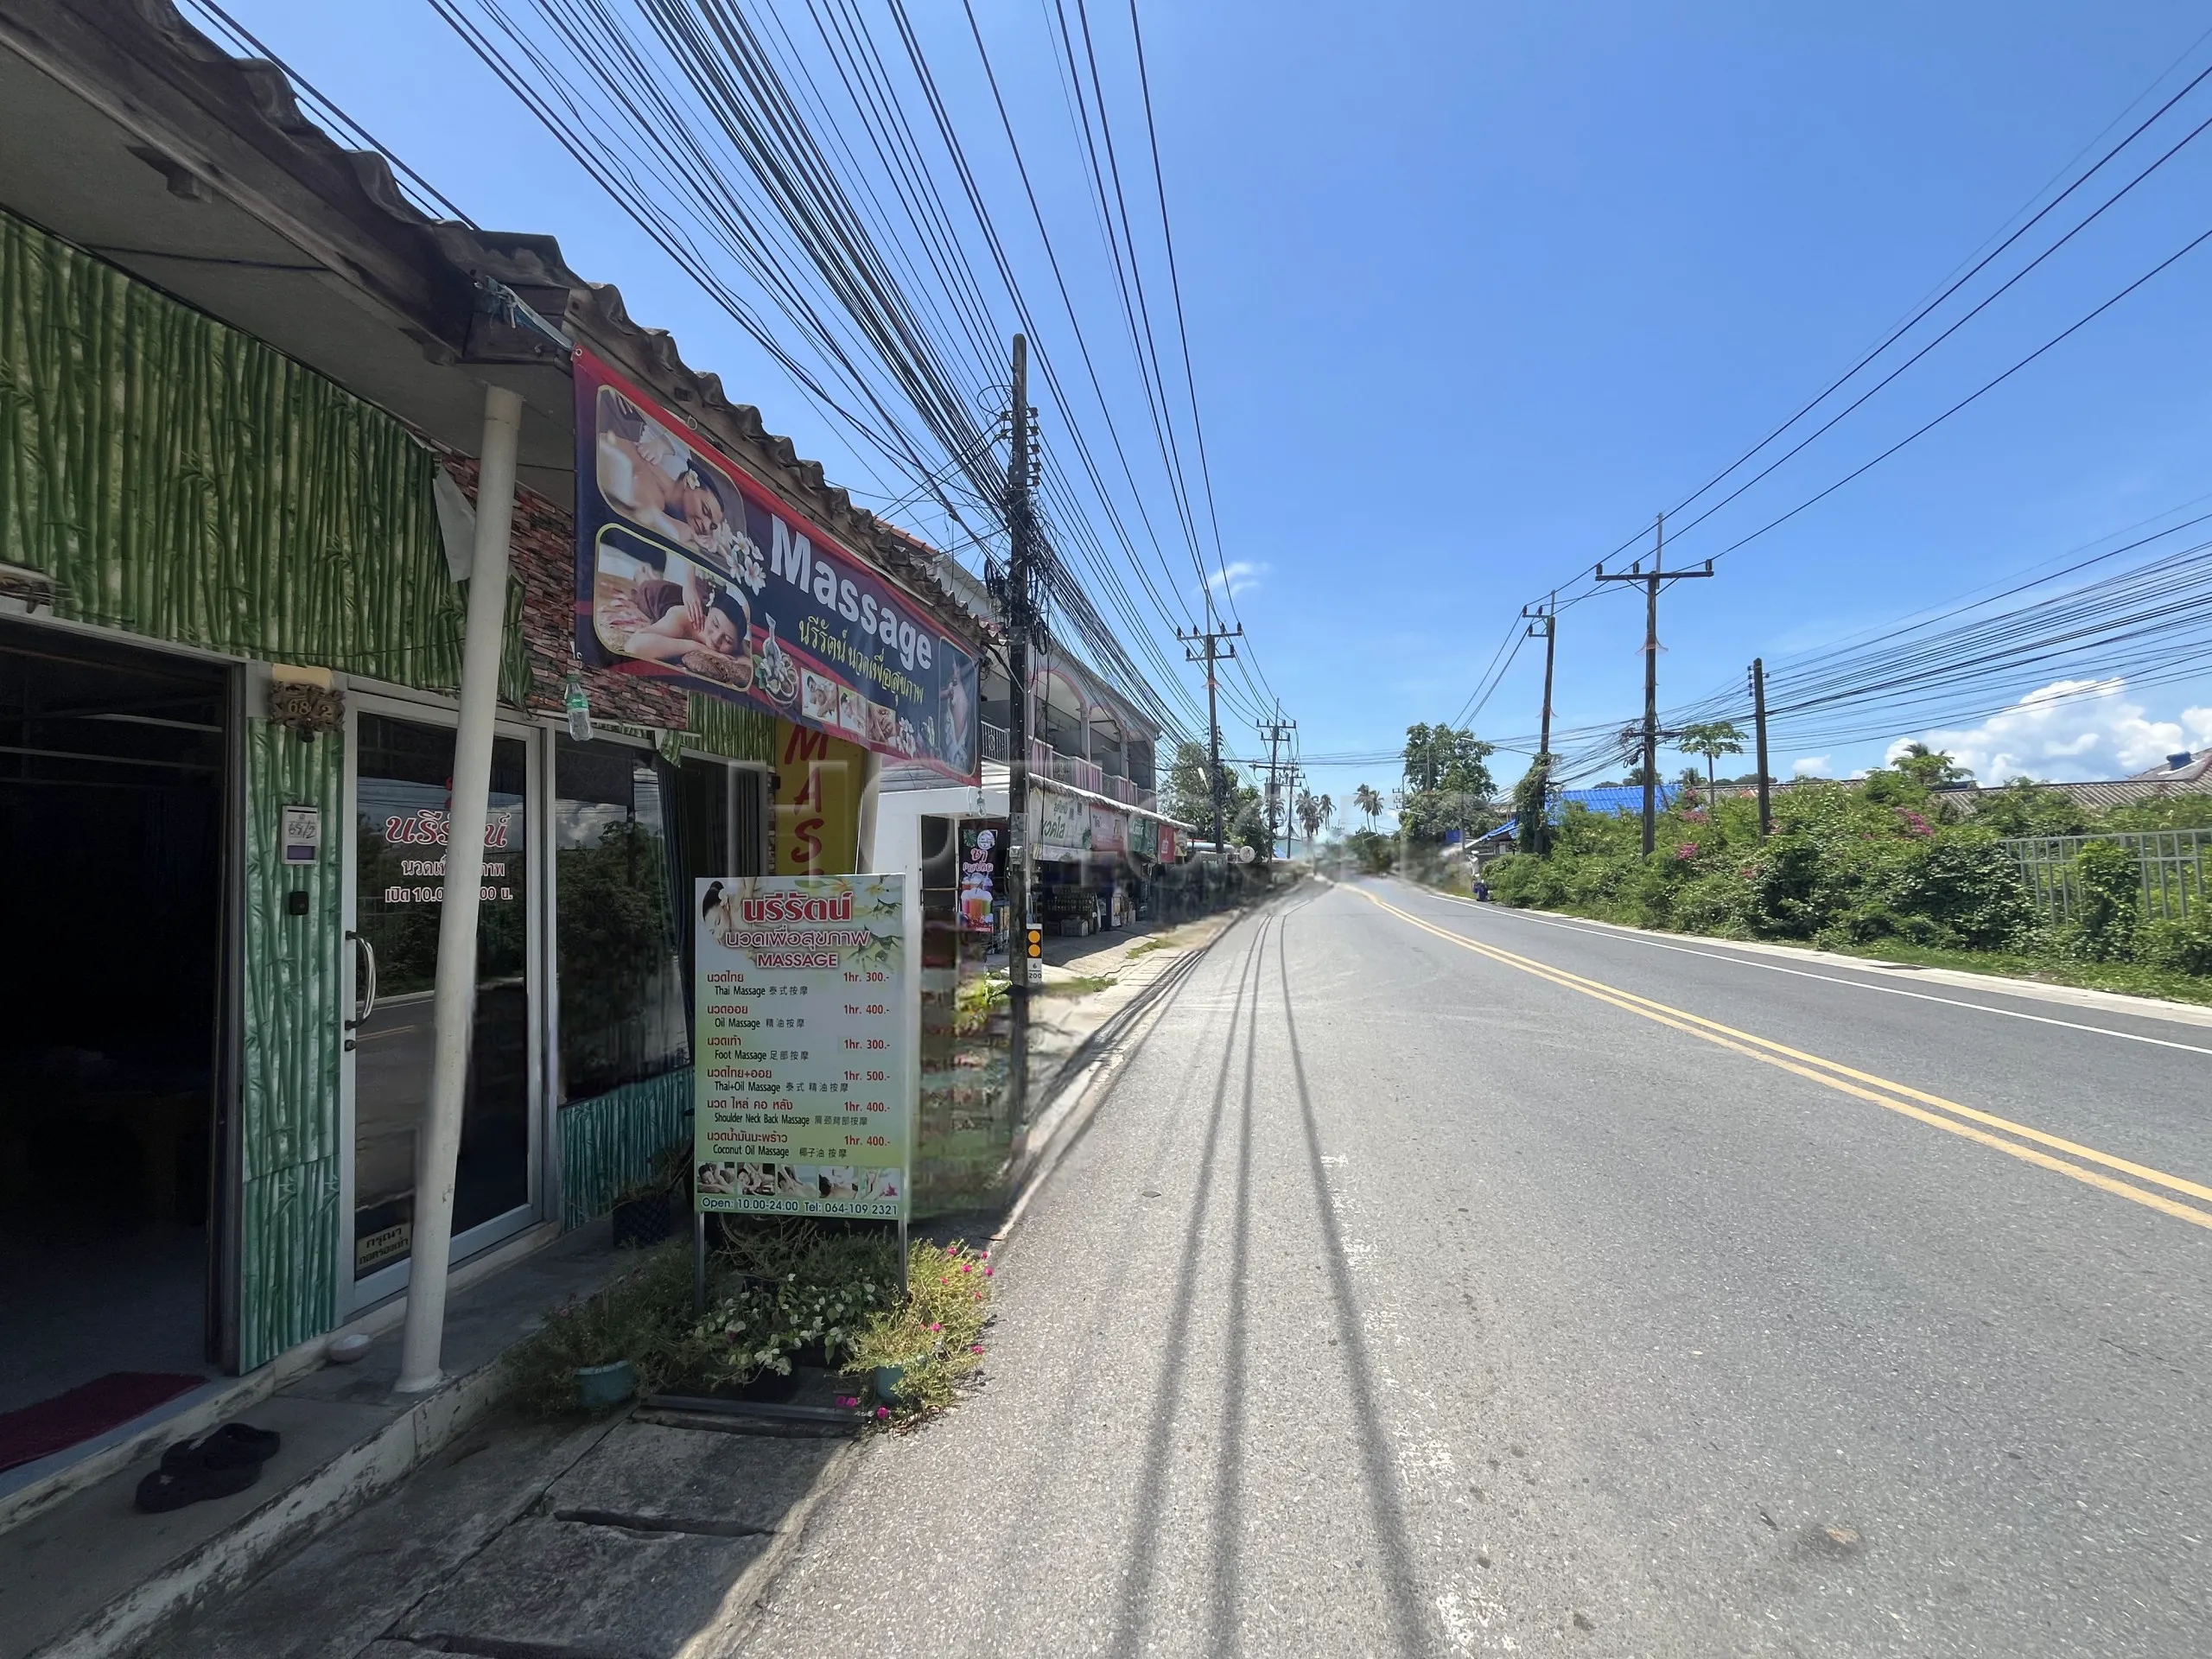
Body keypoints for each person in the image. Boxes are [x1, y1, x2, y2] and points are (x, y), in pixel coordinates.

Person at [624, 561, 751, 664]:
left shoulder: (733, 635)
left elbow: (747, 660)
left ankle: (653, 576)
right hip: (662, 597)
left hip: (696, 600)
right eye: (715, 625)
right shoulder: (680, 622)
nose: (717, 639)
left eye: (727, 640)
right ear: (709, 612)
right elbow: (633, 646)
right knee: (646, 584)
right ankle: (644, 574)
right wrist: (696, 647)